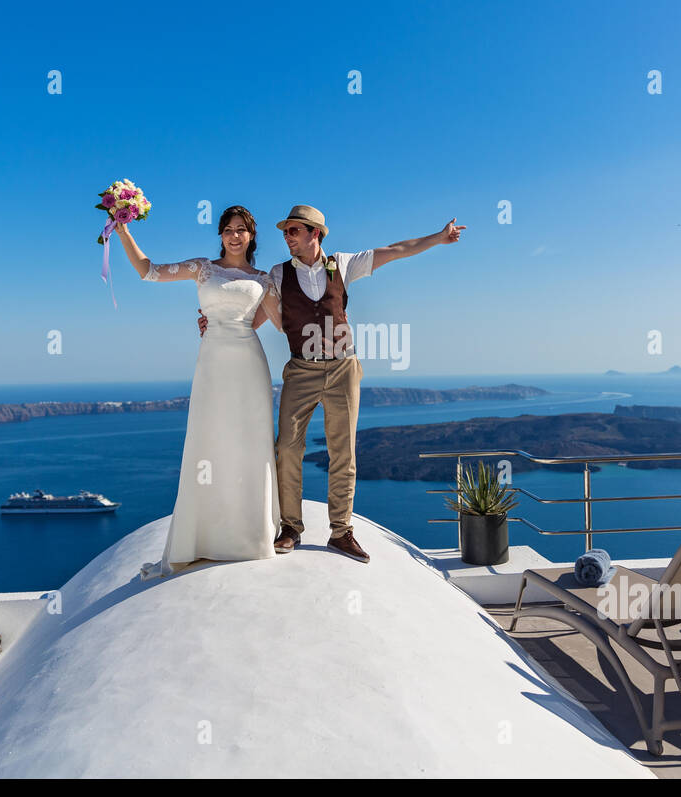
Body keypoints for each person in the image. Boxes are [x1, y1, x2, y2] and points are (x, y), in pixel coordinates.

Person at [202, 204, 463, 563]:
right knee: (288, 448)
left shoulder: (343, 264)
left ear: (315, 234)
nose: (287, 237)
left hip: (343, 369)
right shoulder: (277, 275)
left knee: (343, 452)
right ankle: (291, 528)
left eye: (294, 231)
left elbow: (397, 250)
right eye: (285, 232)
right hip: (301, 370)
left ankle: (341, 532)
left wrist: (439, 237)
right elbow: (253, 315)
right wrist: (216, 323)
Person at [114, 205, 284, 578]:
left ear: (252, 236)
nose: (234, 235)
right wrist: (122, 228)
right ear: (220, 235)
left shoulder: (264, 279)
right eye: (228, 229)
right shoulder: (202, 268)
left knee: (250, 442)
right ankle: (204, 536)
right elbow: (149, 271)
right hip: (211, 364)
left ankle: (250, 535)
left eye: (242, 229)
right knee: (209, 441)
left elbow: (282, 323)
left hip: (249, 365)